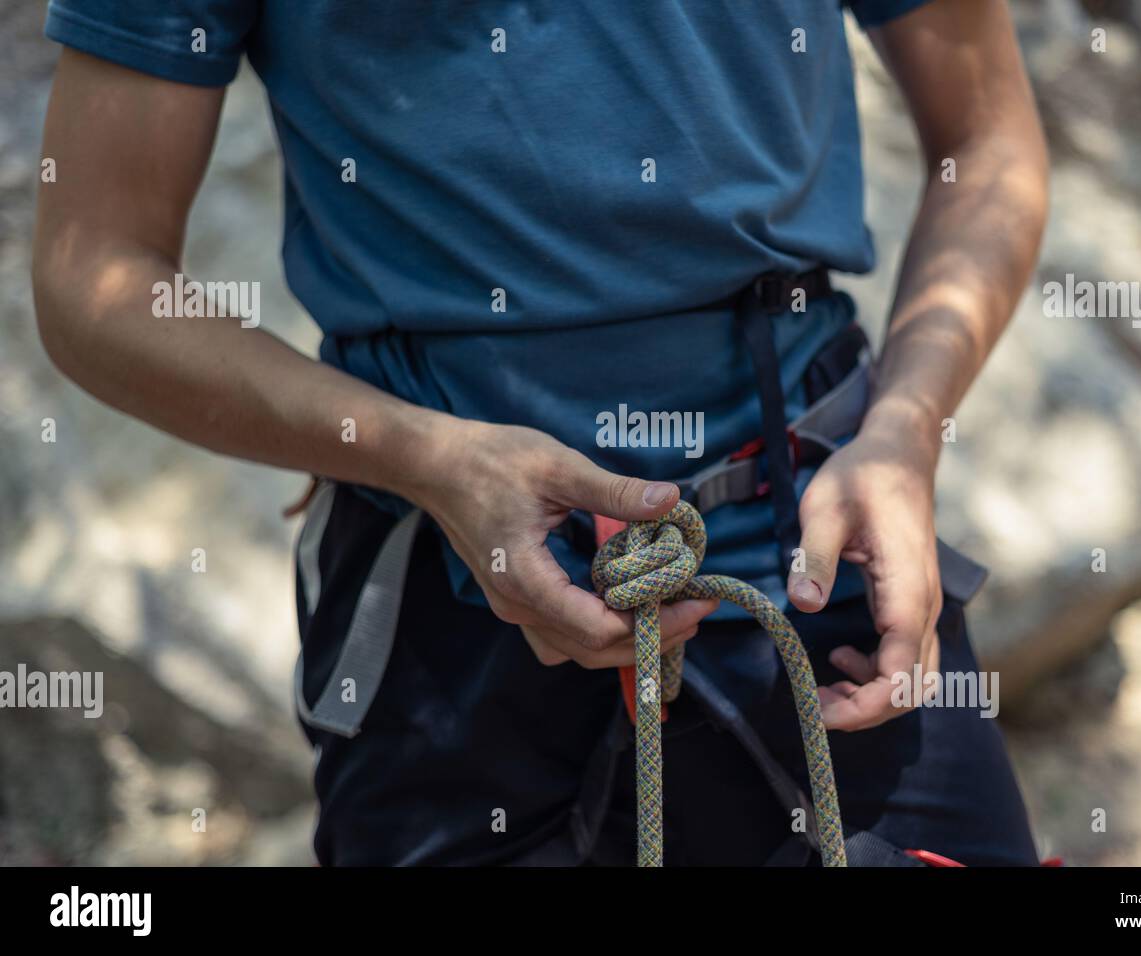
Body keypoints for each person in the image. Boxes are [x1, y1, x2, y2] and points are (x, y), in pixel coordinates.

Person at [32, 0, 1050, 865]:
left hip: (820, 558)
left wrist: (906, 430)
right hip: (446, 607)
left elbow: (987, 136)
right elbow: (95, 275)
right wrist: (424, 456)